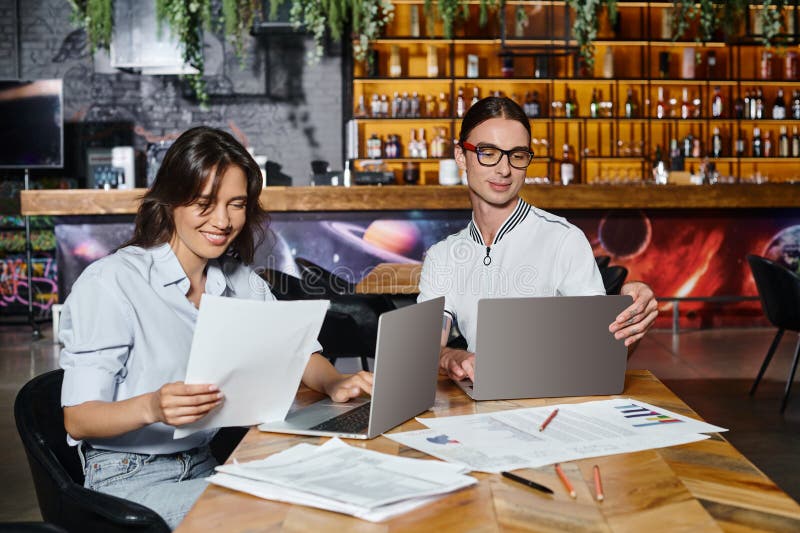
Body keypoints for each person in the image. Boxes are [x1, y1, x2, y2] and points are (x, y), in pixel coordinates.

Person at [58, 126, 372, 529]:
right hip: (128, 479)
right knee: (290, 518)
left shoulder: (241, 282)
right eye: (205, 203)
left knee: (337, 489)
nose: (222, 221)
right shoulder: (111, 283)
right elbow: (79, 419)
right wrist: (150, 406)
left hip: (207, 464)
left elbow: (295, 350)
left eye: (236, 204)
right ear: (171, 200)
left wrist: (332, 382)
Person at [418, 97, 658, 382]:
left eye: (517, 155)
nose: (504, 169)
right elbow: (427, 346)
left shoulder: (563, 239)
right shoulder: (443, 255)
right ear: (461, 156)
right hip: (479, 401)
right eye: (488, 152)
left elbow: (603, 353)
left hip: (554, 400)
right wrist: (448, 357)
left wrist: (631, 317)